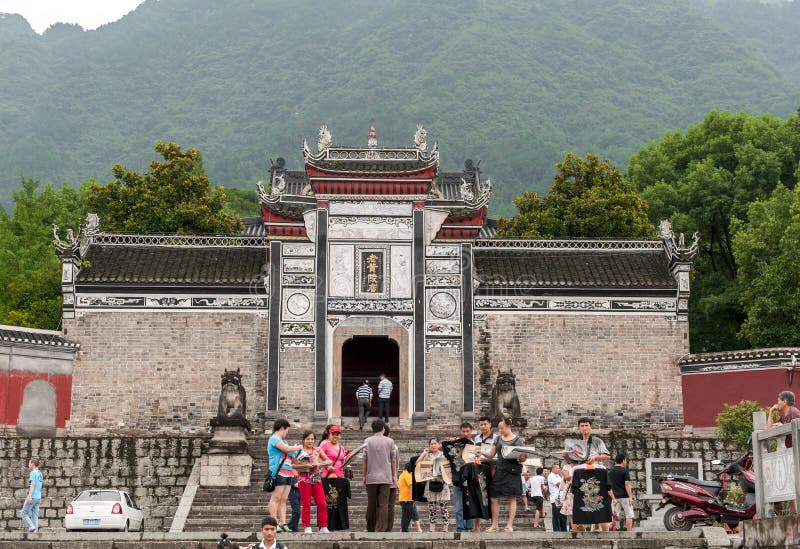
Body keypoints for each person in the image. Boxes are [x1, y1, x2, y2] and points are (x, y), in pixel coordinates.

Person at [477, 416, 527, 533]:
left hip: (512, 472)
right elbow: (491, 454)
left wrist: (522, 458)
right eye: (499, 428)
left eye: (502, 428)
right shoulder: (498, 439)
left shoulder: (518, 440)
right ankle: (494, 525)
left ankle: (509, 525)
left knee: (512, 497)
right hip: (499, 471)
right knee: (493, 497)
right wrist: (482, 452)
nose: (500, 431)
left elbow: (523, 459)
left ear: (508, 426)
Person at [267, 419, 303, 533]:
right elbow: (287, 449)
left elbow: (292, 456)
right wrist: (299, 447)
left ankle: (283, 523)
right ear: (282, 428)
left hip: (288, 473)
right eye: (287, 430)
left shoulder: (285, 442)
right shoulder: (274, 439)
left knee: (283, 500)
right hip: (279, 472)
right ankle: (274, 523)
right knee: (276, 498)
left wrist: (299, 457)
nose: (287, 432)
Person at [767, 390, 800, 512]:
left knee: (795, 483)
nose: (777, 403)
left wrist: (784, 427)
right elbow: (769, 429)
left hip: (796, 452)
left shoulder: (794, 412)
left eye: (778, 400)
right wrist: (771, 412)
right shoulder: (784, 416)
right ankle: (795, 514)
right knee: (791, 484)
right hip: (789, 453)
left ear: (785, 401)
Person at [293, 430, 331, 533]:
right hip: (304, 480)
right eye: (308, 439)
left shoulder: (318, 450)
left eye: (312, 439)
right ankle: (307, 526)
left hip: (316, 479)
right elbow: (293, 465)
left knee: (322, 503)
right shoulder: (299, 451)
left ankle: (323, 526)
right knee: (306, 504)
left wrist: (319, 464)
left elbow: (329, 461)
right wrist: (305, 465)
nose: (310, 441)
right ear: (303, 440)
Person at [363, 419, 397, 532]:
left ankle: (370, 527)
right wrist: (393, 475)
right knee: (384, 504)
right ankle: (381, 528)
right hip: (386, 477)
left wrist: (364, 476)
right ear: (383, 428)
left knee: (371, 503)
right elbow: (393, 460)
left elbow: (365, 460)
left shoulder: (367, 441)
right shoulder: (390, 441)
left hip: (371, 476)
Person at [442, 422, 475, 532]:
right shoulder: (455, 444)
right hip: (457, 478)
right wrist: (452, 442)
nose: (465, 433)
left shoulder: (475, 445)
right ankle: (460, 526)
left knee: (470, 504)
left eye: (467, 431)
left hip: (471, 478)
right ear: (460, 431)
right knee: (458, 505)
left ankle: (469, 526)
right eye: (463, 431)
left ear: (471, 431)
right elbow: (443, 445)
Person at [319, 425, 350, 530]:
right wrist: (327, 466)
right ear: (329, 434)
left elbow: (342, 461)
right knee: (328, 503)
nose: (336, 436)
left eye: (338, 434)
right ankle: (324, 526)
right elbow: (317, 457)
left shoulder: (341, 447)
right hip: (327, 478)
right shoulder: (325, 444)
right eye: (333, 434)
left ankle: (336, 526)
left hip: (339, 478)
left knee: (338, 504)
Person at [469, 415, 497, 532]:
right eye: (481, 424)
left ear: (490, 425)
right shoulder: (476, 438)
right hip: (479, 469)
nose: (483, 426)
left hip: (491, 469)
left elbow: (497, 455)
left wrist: (486, 454)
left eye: (485, 424)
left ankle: (494, 525)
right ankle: (477, 526)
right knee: (478, 496)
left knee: (492, 497)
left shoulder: (496, 438)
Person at [420, 437, 452, 532]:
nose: (433, 445)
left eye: (435, 443)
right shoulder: (428, 456)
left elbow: (449, 468)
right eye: (431, 444)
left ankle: (445, 528)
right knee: (432, 508)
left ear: (439, 444)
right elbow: (419, 465)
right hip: (431, 484)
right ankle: (432, 528)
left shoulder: (444, 455)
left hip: (443, 484)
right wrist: (424, 454)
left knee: (443, 507)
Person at [609, 453, 634, 531]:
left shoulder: (610, 472)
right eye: (625, 460)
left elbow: (609, 486)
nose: (626, 462)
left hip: (614, 497)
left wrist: (612, 498)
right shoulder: (625, 471)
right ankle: (629, 533)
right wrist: (630, 497)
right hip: (625, 496)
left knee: (613, 516)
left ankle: (612, 533)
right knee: (629, 515)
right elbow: (627, 484)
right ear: (623, 460)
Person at [398, 459, 423, 532]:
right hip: (407, 499)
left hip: (405, 499)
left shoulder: (402, 475)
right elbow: (411, 486)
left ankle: (419, 529)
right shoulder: (407, 474)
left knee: (414, 514)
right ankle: (403, 530)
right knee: (406, 516)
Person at [21, 458, 43, 534]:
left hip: (33, 497)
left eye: (29, 463)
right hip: (38, 497)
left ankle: (32, 527)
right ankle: (35, 530)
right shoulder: (40, 473)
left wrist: (29, 496)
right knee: (35, 515)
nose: (28, 464)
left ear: (33, 464)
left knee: (23, 513)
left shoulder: (33, 473)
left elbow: (32, 485)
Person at [548, 463, 567, 532]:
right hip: (555, 498)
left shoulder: (558, 476)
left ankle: (564, 530)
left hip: (561, 498)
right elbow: (559, 484)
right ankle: (556, 530)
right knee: (556, 516)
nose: (559, 469)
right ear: (553, 469)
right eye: (557, 468)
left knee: (563, 515)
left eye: (559, 468)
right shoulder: (551, 476)